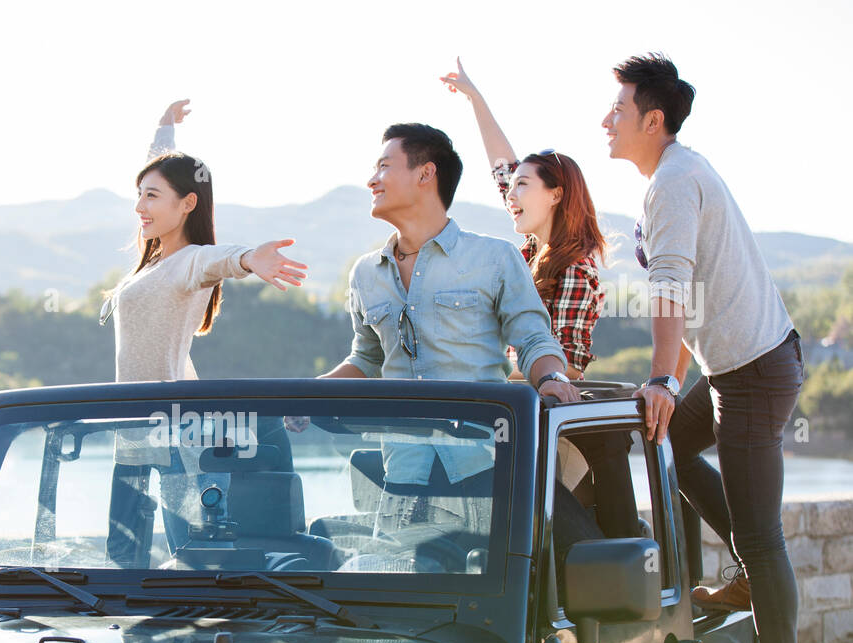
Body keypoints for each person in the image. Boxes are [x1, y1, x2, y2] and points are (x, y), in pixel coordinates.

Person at [604, 53, 817, 643]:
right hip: (740, 366)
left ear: (652, 119)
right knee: (665, 445)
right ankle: (751, 577)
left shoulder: (674, 181)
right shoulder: (676, 175)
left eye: (618, 109)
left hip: (752, 375)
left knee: (761, 535)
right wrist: (676, 376)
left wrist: (662, 380)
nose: (606, 120)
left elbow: (674, 290)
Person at [305, 123, 595, 568]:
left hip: (484, 475)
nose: (372, 180)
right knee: (391, 588)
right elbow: (366, 359)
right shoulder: (366, 273)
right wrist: (307, 396)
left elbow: (534, 338)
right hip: (402, 477)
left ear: (426, 175)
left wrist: (552, 378)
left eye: (385, 166)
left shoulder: (494, 258)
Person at [101, 99, 307, 568]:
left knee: (194, 555)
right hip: (133, 435)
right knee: (122, 559)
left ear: (187, 203)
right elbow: (162, 174)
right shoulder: (154, 260)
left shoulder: (188, 261)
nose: (139, 207)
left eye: (151, 197)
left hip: (174, 435)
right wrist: (164, 132)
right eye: (140, 194)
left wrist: (252, 258)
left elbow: (221, 258)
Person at [440, 59, 639, 540]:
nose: (510, 193)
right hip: (518, 409)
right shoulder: (532, 251)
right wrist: (475, 99)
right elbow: (501, 165)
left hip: (549, 422)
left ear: (555, 195)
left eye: (523, 186)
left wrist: (485, 377)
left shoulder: (575, 267)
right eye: (511, 188)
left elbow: (566, 366)